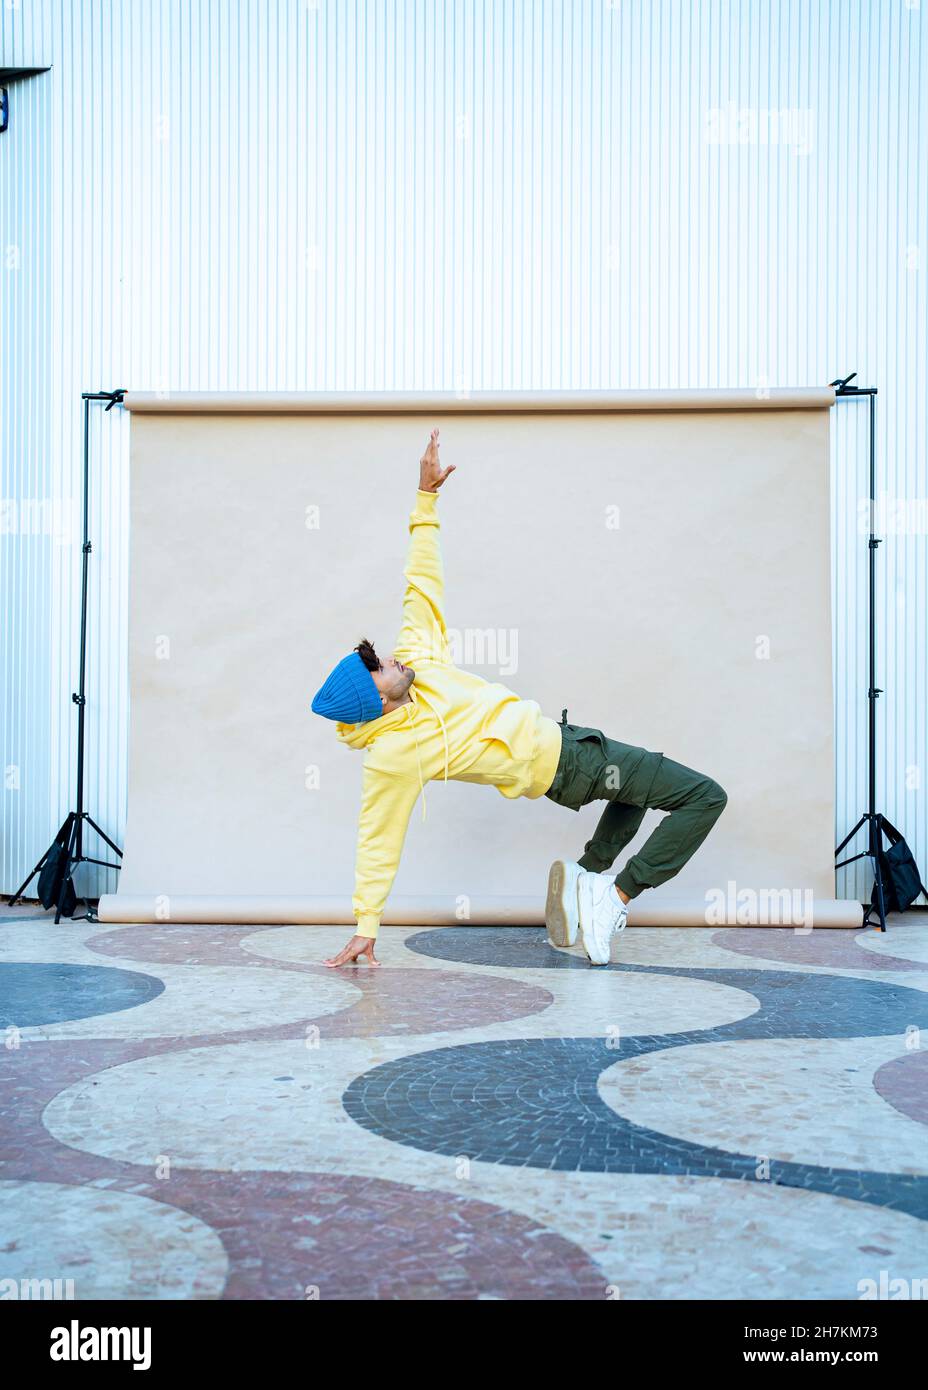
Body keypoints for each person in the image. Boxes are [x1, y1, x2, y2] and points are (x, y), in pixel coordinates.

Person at [311, 429, 727, 968]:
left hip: (569, 746)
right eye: (379, 669)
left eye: (380, 656)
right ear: (378, 704)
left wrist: (426, 497)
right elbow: (377, 839)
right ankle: (615, 897)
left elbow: (421, 582)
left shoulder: (420, 661)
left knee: (639, 786)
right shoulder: (394, 756)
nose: (390, 659)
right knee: (704, 797)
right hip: (569, 762)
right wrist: (367, 925)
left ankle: (587, 874)